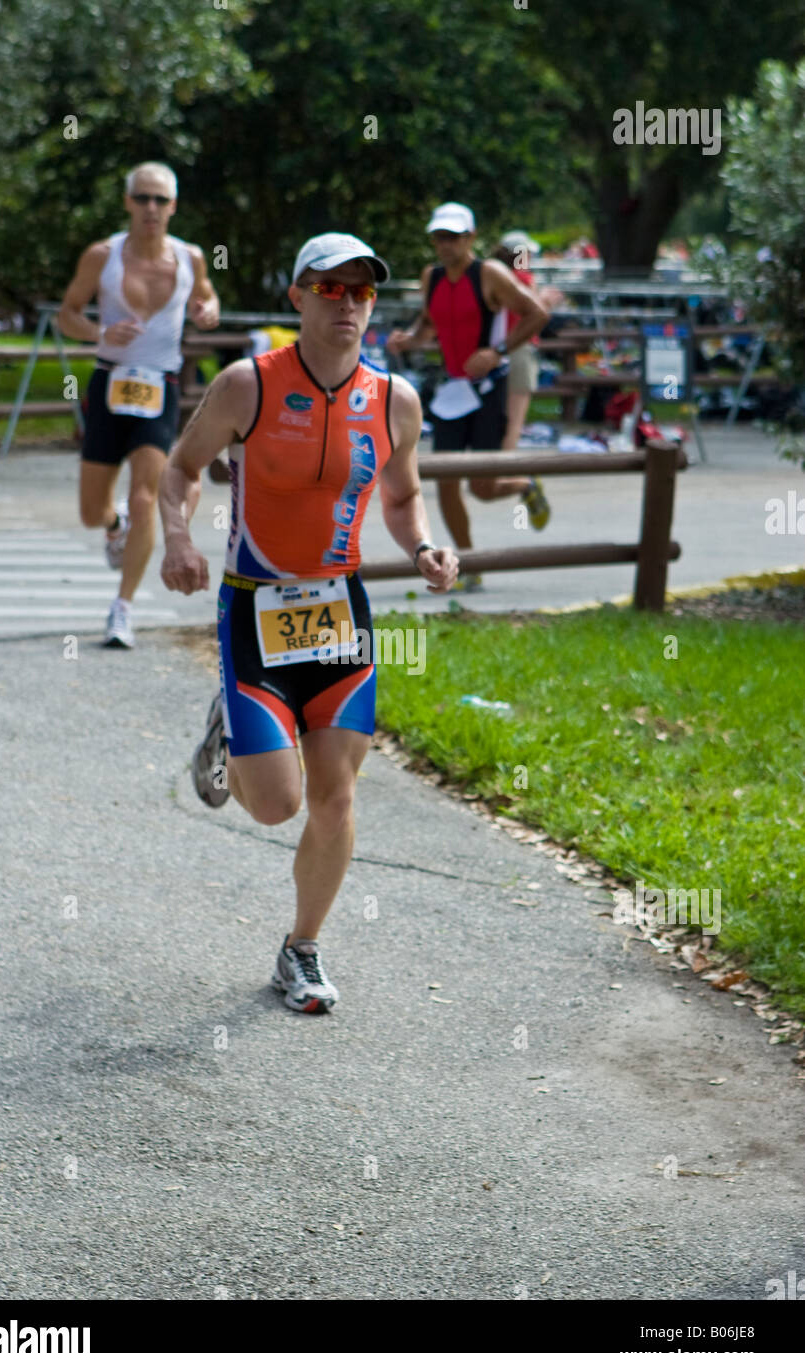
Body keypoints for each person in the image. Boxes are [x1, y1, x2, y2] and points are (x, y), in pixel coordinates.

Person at [157, 232, 459, 1013]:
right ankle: (232, 723)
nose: (349, 304)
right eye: (331, 289)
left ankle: (302, 949)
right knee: (276, 805)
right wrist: (180, 538)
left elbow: (399, 497)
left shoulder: (394, 400)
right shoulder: (246, 386)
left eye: (362, 292)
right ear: (297, 298)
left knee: (336, 800)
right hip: (255, 610)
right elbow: (183, 467)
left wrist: (424, 544)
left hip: (340, 616)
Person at [57, 161, 220, 648]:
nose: (151, 208)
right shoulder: (102, 256)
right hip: (110, 382)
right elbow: (68, 314)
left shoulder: (190, 258)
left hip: (160, 385)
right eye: (143, 198)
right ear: (128, 202)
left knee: (148, 495)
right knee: (91, 511)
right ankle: (114, 526)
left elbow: (208, 299)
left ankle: (121, 609)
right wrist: (99, 332)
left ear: (173, 206)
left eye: (160, 200)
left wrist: (207, 310)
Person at [386, 202, 550, 588]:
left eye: (454, 237)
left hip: (489, 390)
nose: (446, 245)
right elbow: (429, 322)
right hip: (453, 392)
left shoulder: (490, 274)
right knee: (445, 479)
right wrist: (410, 340)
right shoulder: (432, 277)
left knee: (482, 488)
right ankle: (468, 564)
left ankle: (526, 485)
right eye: (440, 237)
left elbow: (537, 313)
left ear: (471, 238)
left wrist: (498, 352)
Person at [490, 230, 564, 453]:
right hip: (519, 348)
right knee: (514, 418)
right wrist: (547, 301)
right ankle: (505, 466)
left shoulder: (493, 277)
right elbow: (534, 313)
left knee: (498, 415)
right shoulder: (523, 277)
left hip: (497, 348)